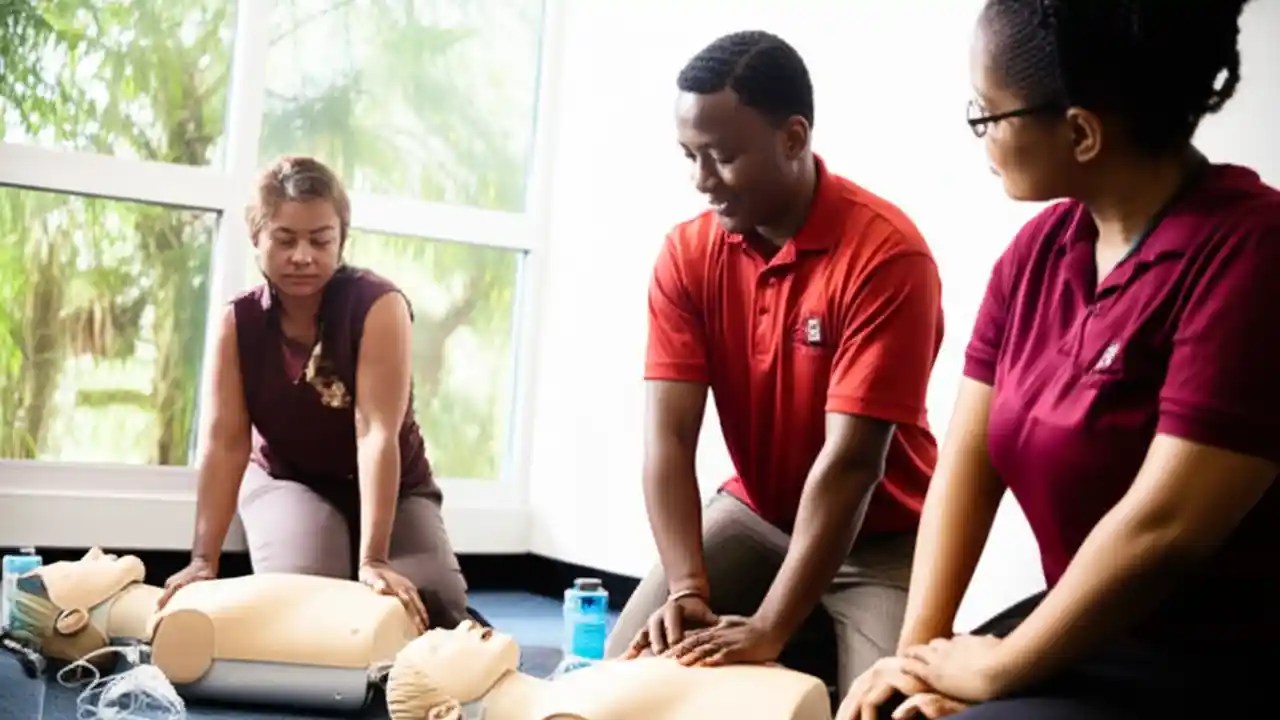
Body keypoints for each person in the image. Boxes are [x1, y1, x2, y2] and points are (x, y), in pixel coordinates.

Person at [836, 1, 1277, 718]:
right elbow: (968, 471)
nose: (978, 133)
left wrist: (996, 673)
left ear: (1079, 131)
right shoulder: (1039, 252)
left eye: (988, 113)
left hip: (1209, 664)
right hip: (1078, 638)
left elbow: (1163, 528)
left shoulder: (1251, 253)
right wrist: (913, 660)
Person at [606, 30, 945, 698]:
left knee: (878, 708)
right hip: (757, 514)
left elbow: (853, 466)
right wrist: (688, 585)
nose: (702, 181)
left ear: (793, 139)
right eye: (690, 156)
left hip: (882, 536)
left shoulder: (887, 256)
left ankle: (811, 635)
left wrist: (771, 625)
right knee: (626, 671)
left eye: (724, 157)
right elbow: (669, 439)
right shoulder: (688, 254)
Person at [157, 156, 468, 632]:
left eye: (320, 240)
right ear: (256, 238)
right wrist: (203, 559)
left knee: (434, 607)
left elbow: (375, 433)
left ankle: (364, 560)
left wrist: (375, 560)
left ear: (341, 240)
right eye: (285, 239)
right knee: (309, 605)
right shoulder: (236, 322)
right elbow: (225, 444)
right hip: (288, 480)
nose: (302, 255)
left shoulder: (378, 305)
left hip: (394, 486)